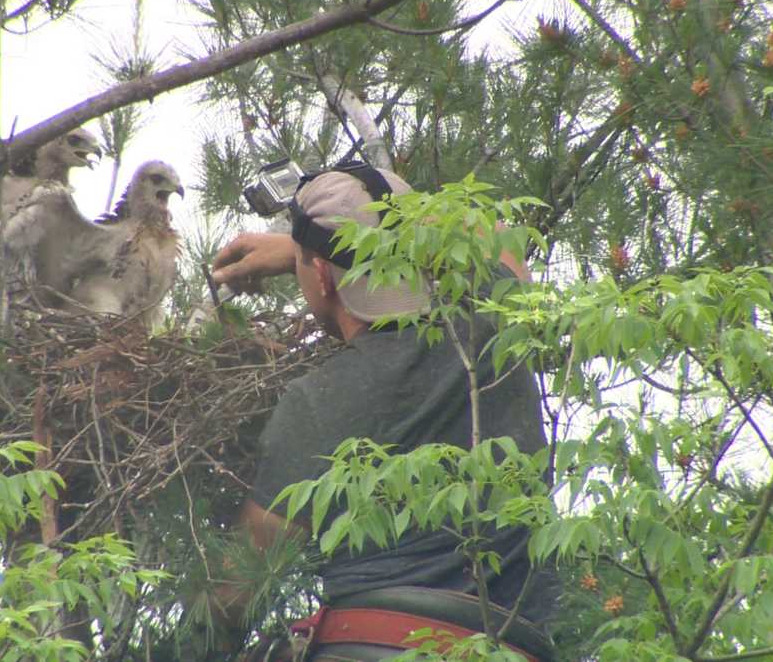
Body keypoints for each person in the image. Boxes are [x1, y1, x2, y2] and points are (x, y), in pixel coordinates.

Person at [210, 166, 557, 661]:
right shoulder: (495, 317)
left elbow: (237, 586)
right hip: (516, 647)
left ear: (324, 279)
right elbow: (492, 230)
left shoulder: (318, 402)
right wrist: (319, 248)